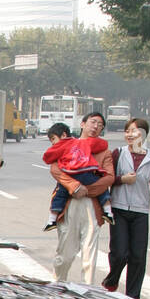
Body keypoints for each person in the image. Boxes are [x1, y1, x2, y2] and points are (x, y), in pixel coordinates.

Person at [102, 117, 150, 299]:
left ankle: (133, 298)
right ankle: (112, 280)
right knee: (120, 253)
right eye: (127, 131)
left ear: (144, 134)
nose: (129, 135)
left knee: (138, 257)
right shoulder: (119, 153)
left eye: (134, 131)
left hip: (140, 212)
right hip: (119, 209)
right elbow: (107, 179)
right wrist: (122, 179)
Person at [50, 112, 114, 286]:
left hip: (92, 205)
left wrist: (87, 190)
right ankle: (58, 284)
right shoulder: (69, 145)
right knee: (65, 253)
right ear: (83, 123)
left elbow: (109, 178)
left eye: (100, 125)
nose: (95, 127)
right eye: (93, 122)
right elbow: (55, 169)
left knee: (89, 253)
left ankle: (87, 290)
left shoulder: (104, 152)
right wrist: (74, 187)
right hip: (70, 203)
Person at [42, 123, 113, 230]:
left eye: (53, 139)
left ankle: (52, 219)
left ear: (63, 135)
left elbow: (47, 158)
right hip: (86, 172)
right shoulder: (82, 142)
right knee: (103, 190)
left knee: (59, 194)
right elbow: (101, 144)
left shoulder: (60, 145)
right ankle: (108, 212)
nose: (53, 143)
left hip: (71, 174)